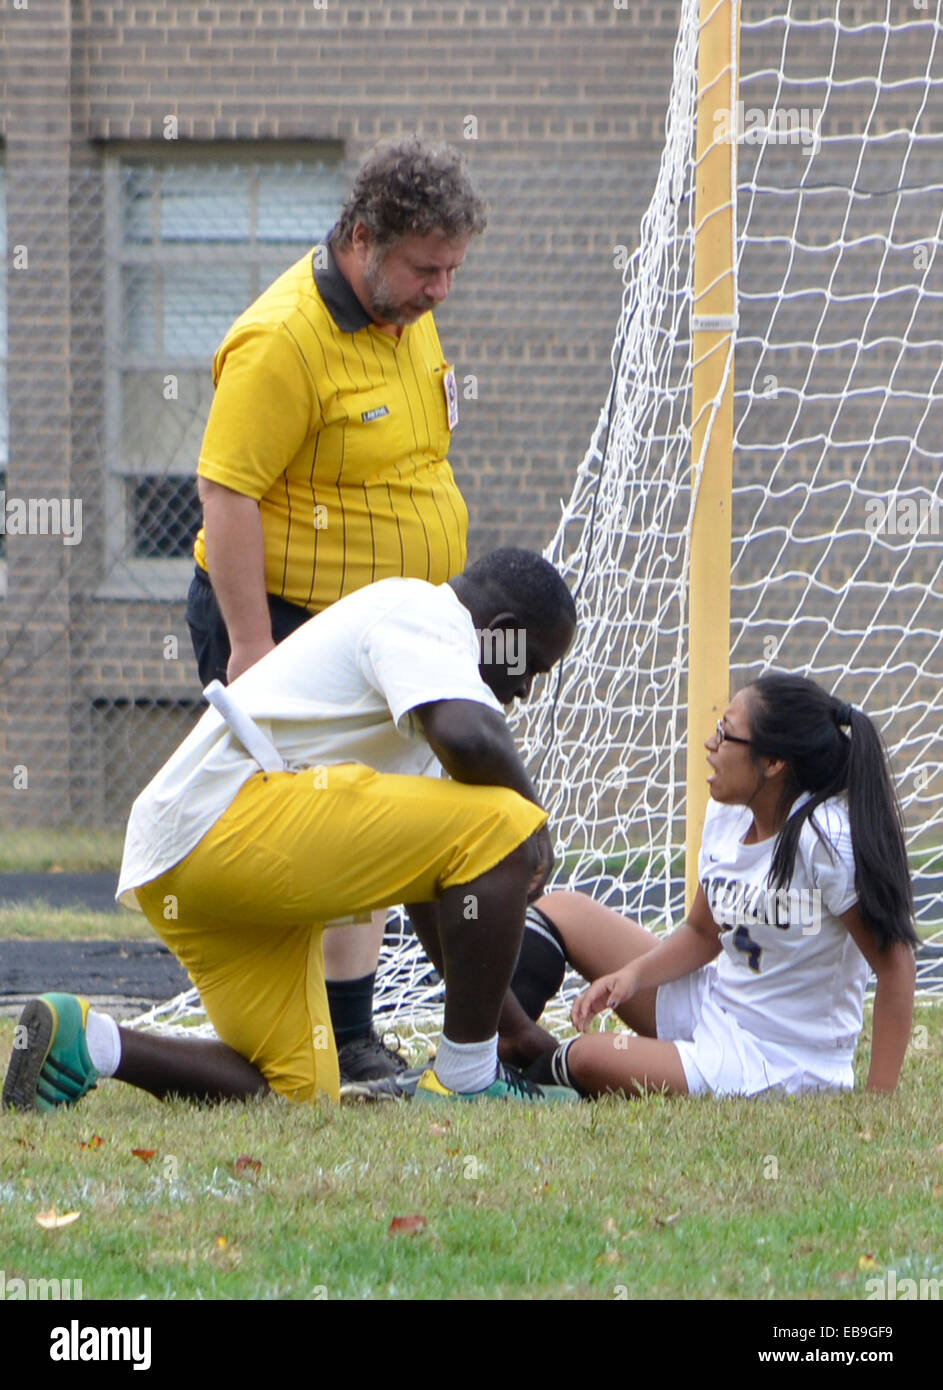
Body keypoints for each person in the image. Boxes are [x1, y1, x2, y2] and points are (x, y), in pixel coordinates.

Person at [3, 550, 579, 1113]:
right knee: (507, 821)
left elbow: (431, 891)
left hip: (189, 860)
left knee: (298, 1092)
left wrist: (515, 1030)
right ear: (501, 630)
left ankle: (92, 1042)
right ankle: (468, 1083)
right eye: (531, 666)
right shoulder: (423, 613)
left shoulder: (426, 709)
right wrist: (535, 828)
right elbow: (470, 737)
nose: (527, 688)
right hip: (229, 823)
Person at [186, 135, 488, 1088]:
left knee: (366, 820)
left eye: (450, 268)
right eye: (424, 268)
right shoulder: (281, 340)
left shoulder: (405, 312)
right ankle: (274, 1034)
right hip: (287, 626)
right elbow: (226, 495)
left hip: (383, 630)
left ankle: (349, 1036)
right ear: (363, 240)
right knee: (300, 839)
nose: (441, 288)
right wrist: (250, 649)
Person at [516, 674, 918, 1099]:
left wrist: (879, 1101)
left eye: (726, 734)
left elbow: (896, 967)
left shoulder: (824, 840)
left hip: (775, 1058)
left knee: (587, 1057)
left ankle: (523, 1069)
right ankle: (495, 1044)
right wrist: (631, 977)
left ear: (774, 762)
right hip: (714, 1003)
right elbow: (702, 933)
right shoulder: (728, 815)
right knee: (562, 910)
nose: (711, 743)